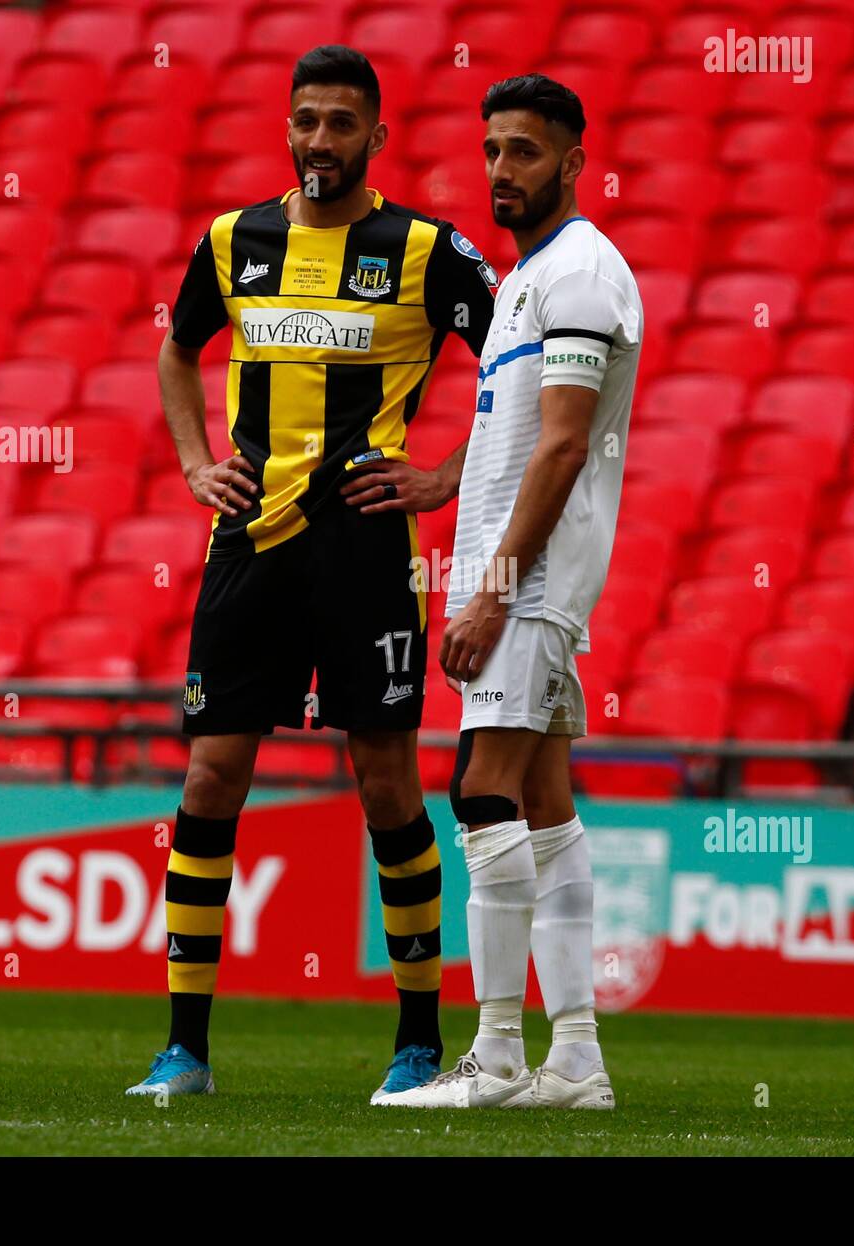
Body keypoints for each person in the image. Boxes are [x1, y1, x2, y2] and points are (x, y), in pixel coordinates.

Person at [125, 45, 496, 1102]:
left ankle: (418, 1041)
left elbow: (510, 359)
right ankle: (183, 1051)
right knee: (209, 779)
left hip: (365, 548)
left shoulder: (422, 248)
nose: (318, 140)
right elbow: (176, 347)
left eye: (340, 123)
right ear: (286, 129)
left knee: (385, 781)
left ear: (376, 137)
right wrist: (198, 462)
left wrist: (441, 479)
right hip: (245, 545)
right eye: (305, 121)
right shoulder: (233, 240)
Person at [376, 74, 643, 1110]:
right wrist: (444, 480)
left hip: (526, 581)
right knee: (539, 800)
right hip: (518, 572)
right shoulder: (531, 279)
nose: (501, 169)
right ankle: (573, 1058)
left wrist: (489, 590)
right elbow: (521, 429)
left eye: (524, 151)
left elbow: (567, 443)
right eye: (491, 149)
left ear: (573, 161)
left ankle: (492, 1057)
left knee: (479, 791)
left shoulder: (578, 273)